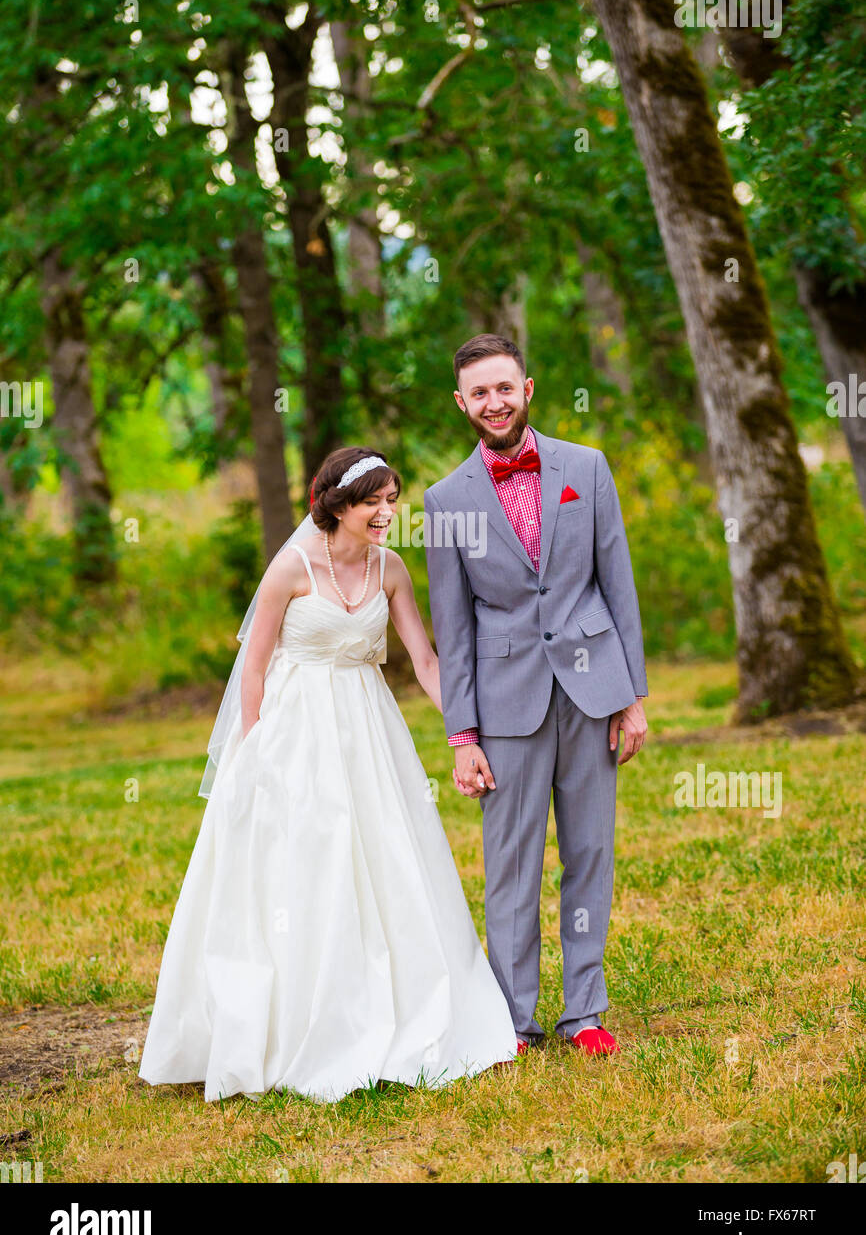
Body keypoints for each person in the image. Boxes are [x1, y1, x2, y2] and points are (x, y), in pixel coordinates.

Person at [138, 446, 516, 1104]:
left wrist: (466, 734)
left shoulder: (390, 569)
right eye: (373, 501)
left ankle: (395, 1007)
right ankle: (288, 1028)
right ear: (337, 504)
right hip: (296, 729)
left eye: (392, 500)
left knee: (385, 857)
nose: (386, 513)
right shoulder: (290, 567)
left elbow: (425, 661)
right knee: (302, 864)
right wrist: (253, 755)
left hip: (368, 728)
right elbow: (252, 669)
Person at [424, 335, 648, 1058]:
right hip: (505, 701)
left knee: (590, 853)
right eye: (479, 393)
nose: (494, 402)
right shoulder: (443, 501)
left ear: (528, 389)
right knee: (511, 866)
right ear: (463, 404)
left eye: (504, 388)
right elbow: (452, 632)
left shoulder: (587, 468)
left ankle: (584, 1012)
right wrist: (464, 736)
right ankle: (512, 1021)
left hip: (591, 692)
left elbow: (617, 585)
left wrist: (631, 696)